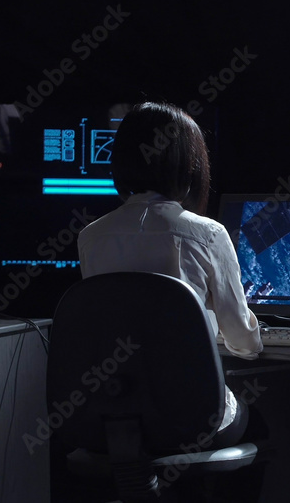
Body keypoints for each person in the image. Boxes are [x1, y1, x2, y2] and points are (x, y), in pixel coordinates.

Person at [77, 101, 263, 444]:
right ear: (190, 167)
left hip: (116, 413)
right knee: (265, 418)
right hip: (191, 416)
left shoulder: (90, 237)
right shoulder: (208, 234)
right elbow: (244, 343)